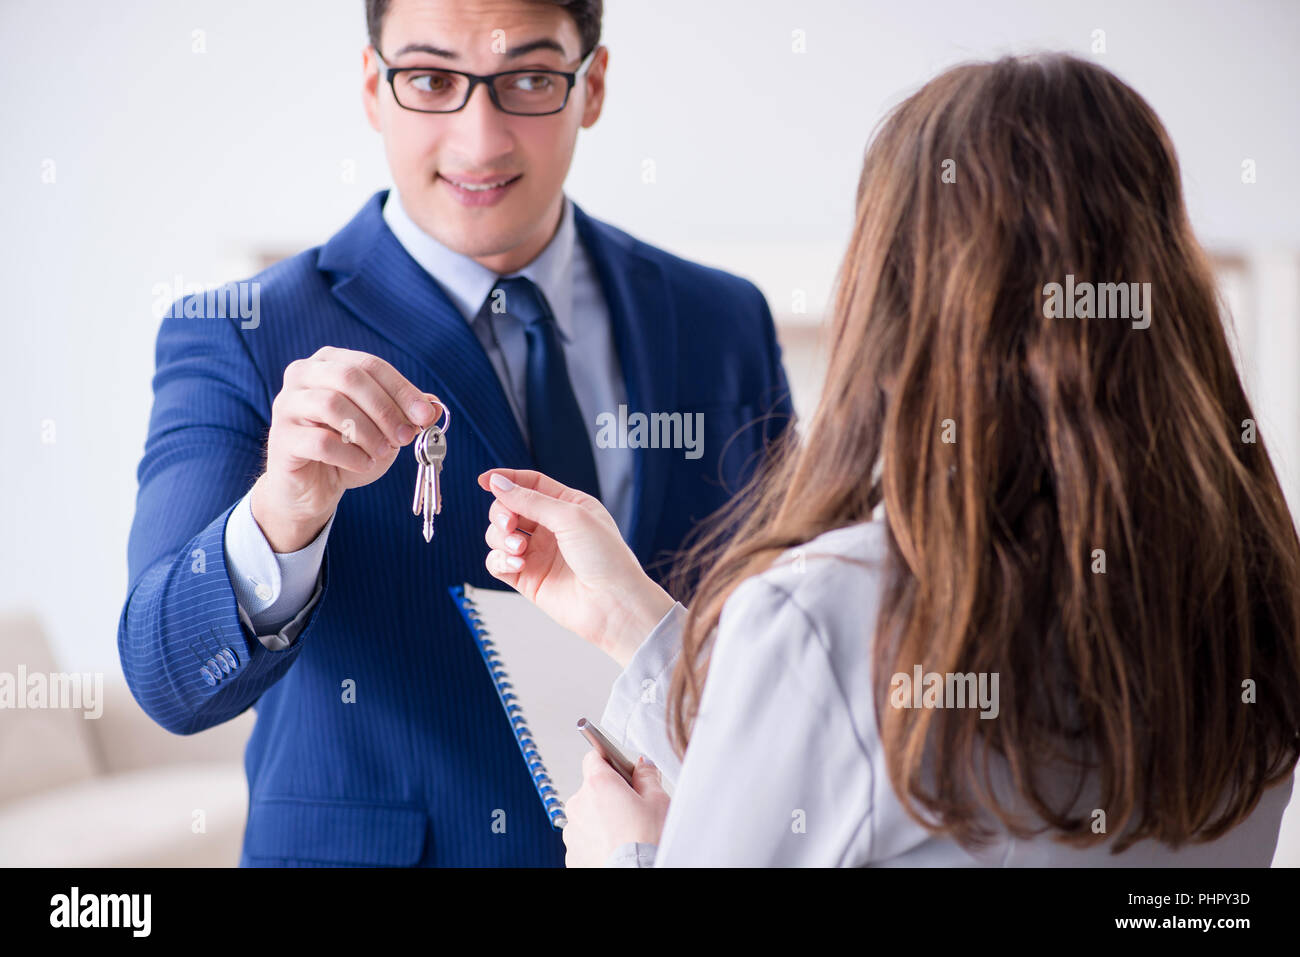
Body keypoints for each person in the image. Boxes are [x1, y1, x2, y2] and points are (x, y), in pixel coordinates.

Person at [477, 52, 1300, 866]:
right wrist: (637, 623)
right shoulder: (1251, 603)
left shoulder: (833, 614)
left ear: (893, 295)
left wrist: (626, 854)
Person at [118, 0, 793, 867]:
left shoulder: (721, 318)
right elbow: (169, 678)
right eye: (432, 79)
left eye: (530, 80)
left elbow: (784, 627)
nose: (482, 142)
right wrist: (281, 513)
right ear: (374, 88)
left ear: (593, 87)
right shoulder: (238, 330)